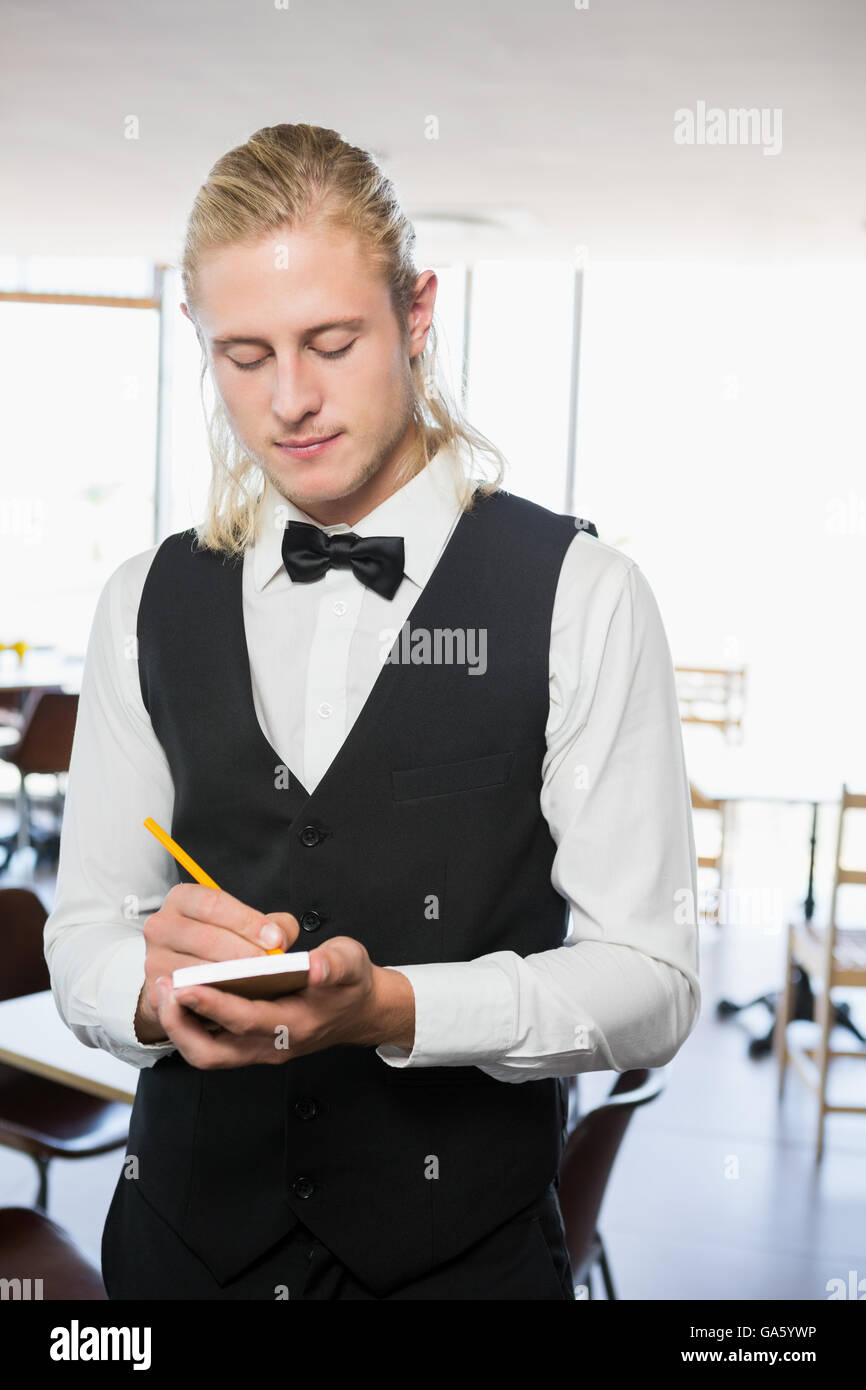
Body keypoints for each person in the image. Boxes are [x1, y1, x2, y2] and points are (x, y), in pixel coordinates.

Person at [44, 122, 701, 1301]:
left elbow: (649, 981)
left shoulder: (580, 596)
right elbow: (84, 925)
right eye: (243, 355)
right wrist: (143, 995)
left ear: (415, 312)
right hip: (178, 1258)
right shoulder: (141, 600)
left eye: (331, 342)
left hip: (462, 1270)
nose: (289, 399)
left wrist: (395, 1006)